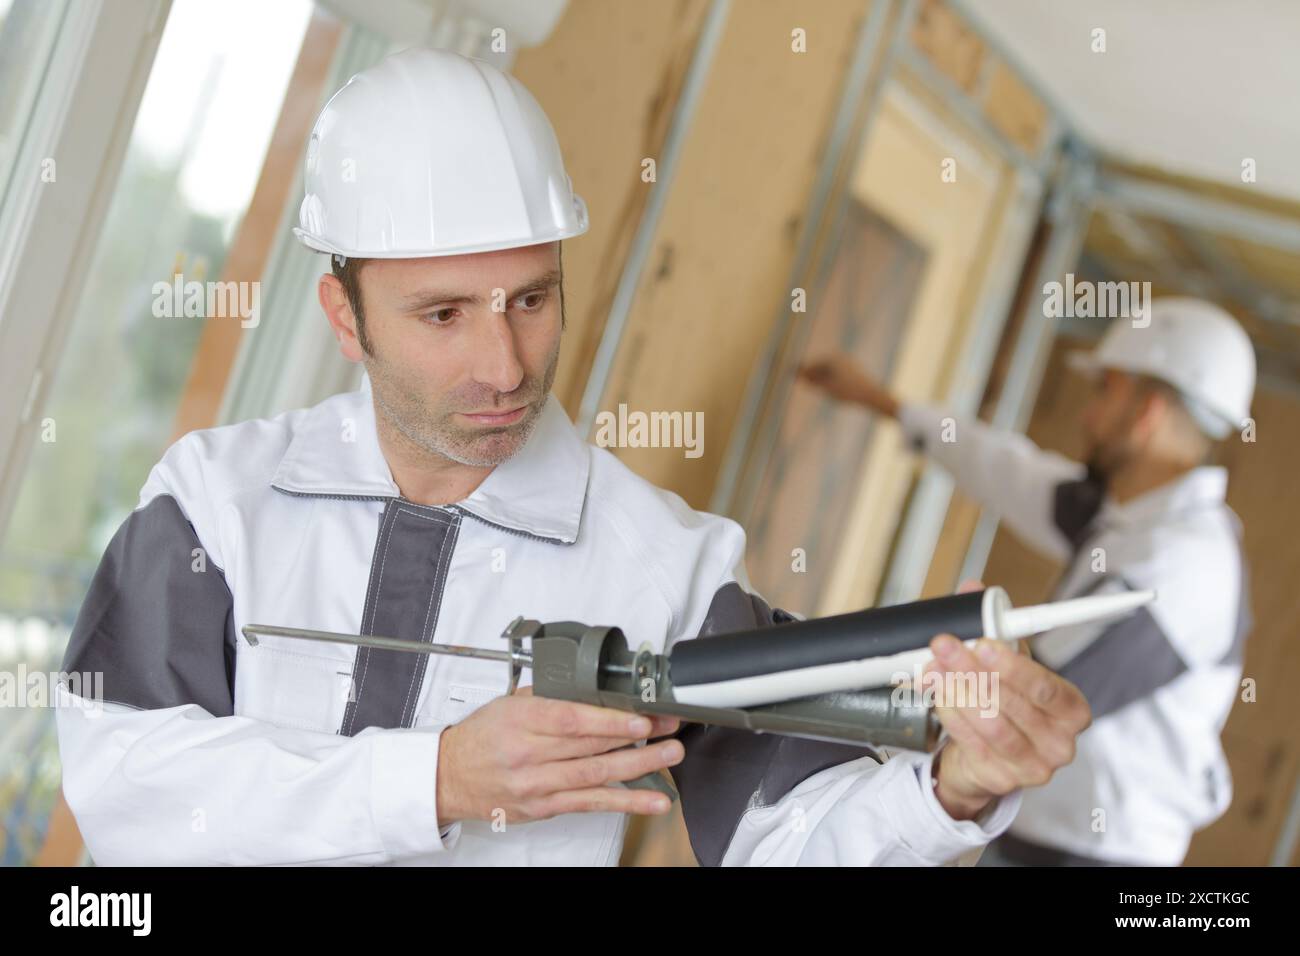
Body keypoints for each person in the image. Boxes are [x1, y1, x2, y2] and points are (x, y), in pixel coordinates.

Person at [55, 48, 1089, 866]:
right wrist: (439, 780)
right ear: (343, 313)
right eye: (444, 314)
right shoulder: (213, 500)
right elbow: (120, 777)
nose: (502, 363)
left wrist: (952, 790)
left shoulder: (667, 567)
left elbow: (790, 836)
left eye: (532, 300)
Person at [800, 296, 1254, 865]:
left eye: (1106, 389)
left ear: (1147, 415)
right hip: (1050, 837)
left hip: (1096, 854)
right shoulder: (1134, 517)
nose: (1087, 415)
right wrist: (882, 401)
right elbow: (1005, 469)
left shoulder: (1184, 566)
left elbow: (1025, 693)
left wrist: (797, 694)